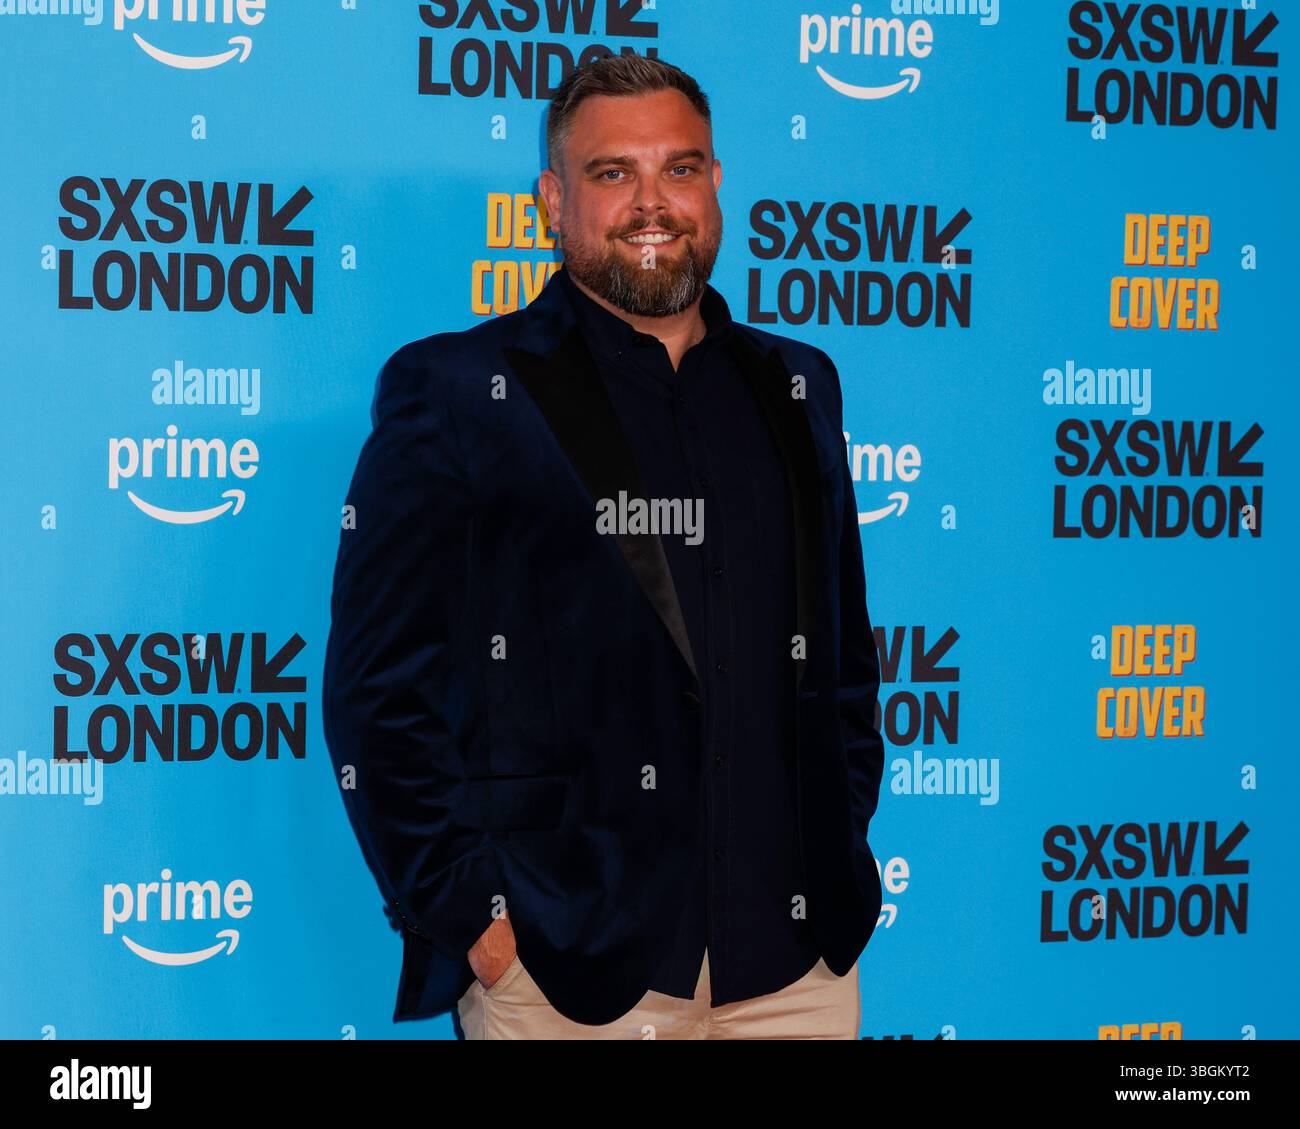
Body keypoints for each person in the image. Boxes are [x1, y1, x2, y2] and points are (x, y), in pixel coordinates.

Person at [321, 53, 886, 1040]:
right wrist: (475, 919)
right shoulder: (459, 392)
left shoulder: (800, 383)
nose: (650, 201)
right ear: (553, 198)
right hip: (566, 971)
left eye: (679, 167)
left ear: (715, 184)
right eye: (611, 172)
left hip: (796, 965)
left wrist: (842, 840)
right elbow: (378, 694)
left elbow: (841, 655)